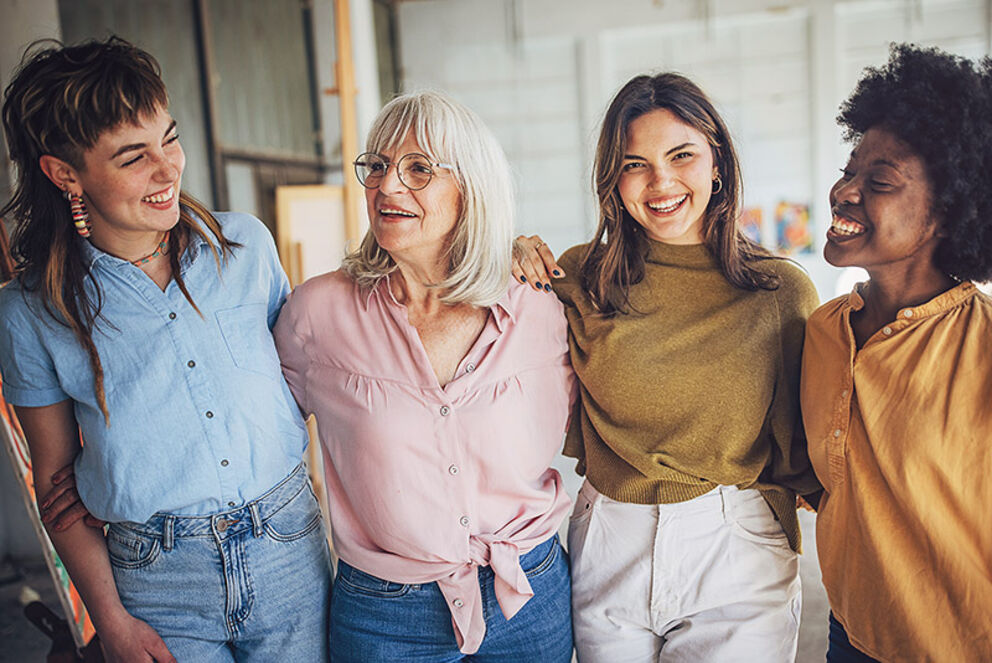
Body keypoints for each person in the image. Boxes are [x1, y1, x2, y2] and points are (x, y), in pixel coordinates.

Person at [0, 37, 331, 662]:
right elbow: (55, 487)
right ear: (64, 172)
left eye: (169, 139)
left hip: (289, 547)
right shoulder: (31, 313)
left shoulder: (245, 249)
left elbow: (310, 381)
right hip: (157, 580)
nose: (168, 168)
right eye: (133, 157)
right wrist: (112, 622)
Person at [514, 72, 821, 662]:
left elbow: (812, 445)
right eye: (635, 164)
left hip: (735, 543)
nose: (660, 183)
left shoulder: (779, 291)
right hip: (609, 534)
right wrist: (504, 253)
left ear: (717, 163)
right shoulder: (581, 276)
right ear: (614, 179)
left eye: (681, 155)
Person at [272, 90, 575, 662]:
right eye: (378, 166)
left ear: (472, 188)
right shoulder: (317, 314)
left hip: (528, 594)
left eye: (418, 169)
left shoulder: (541, 306)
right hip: (385, 615)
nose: (387, 186)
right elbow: (256, 442)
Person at [800, 43, 992, 662]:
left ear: (947, 212)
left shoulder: (983, 347)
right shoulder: (825, 332)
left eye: (878, 182)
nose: (845, 191)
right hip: (851, 632)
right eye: (850, 169)